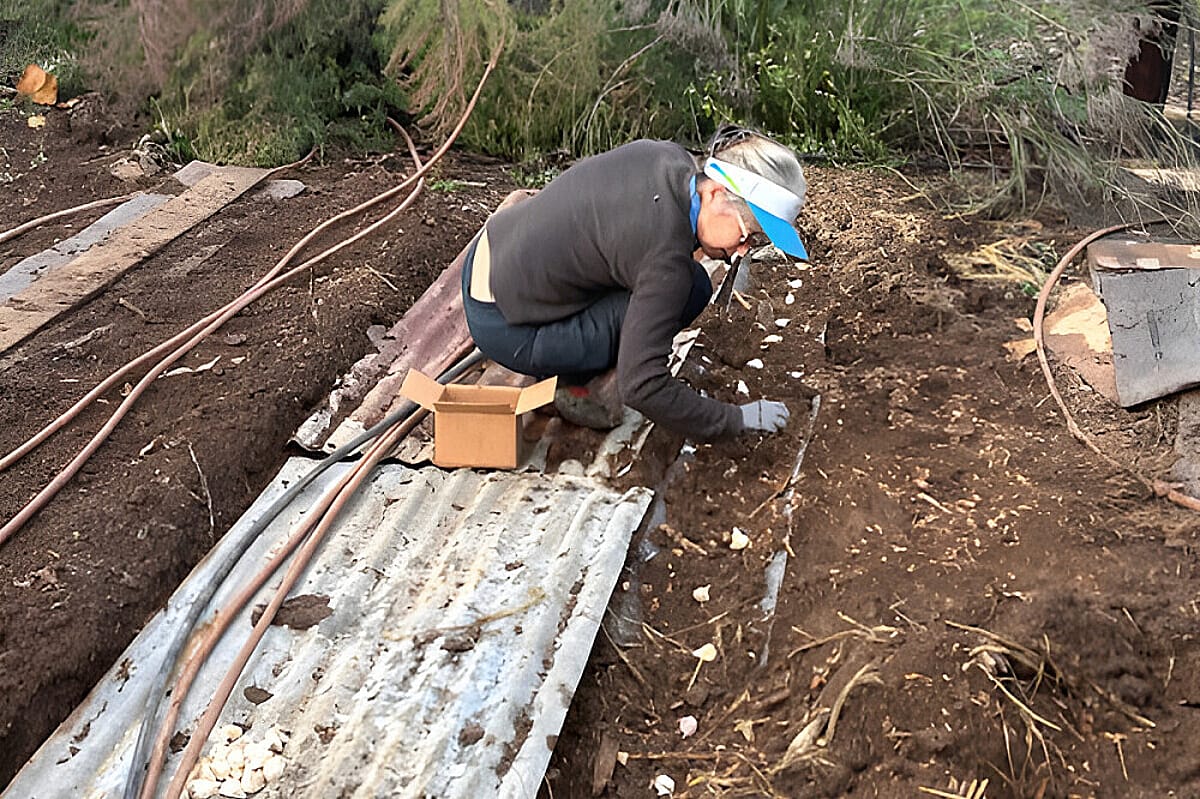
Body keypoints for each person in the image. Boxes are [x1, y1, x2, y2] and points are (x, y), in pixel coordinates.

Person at [461, 125, 808, 441]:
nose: (743, 249)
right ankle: (571, 385)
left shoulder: (669, 158)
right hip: (505, 325)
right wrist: (735, 418)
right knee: (692, 289)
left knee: (687, 283)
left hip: (493, 252)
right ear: (716, 194)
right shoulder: (665, 262)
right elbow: (642, 385)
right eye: (747, 233)